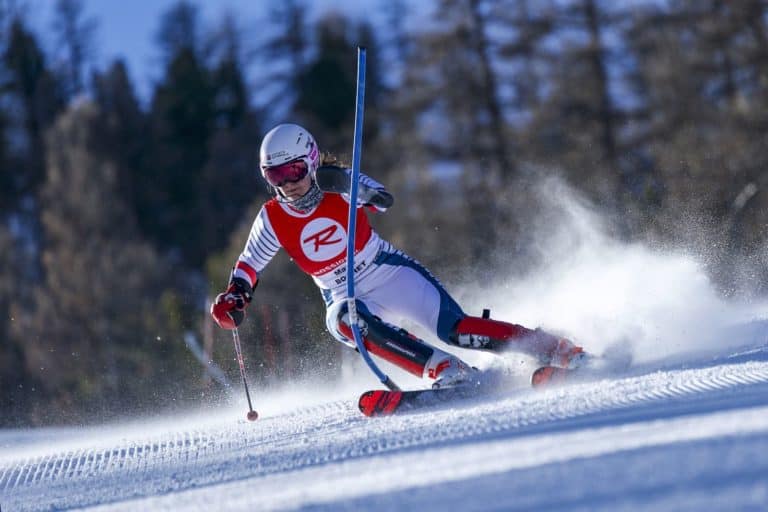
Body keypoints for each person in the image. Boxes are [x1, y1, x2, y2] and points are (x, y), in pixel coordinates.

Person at [211, 123, 586, 388]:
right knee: (345, 321)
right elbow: (249, 265)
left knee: (456, 329)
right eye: (275, 176)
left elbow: (382, 199)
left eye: (293, 171)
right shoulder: (273, 217)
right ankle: (446, 371)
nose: (288, 184)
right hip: (344, 295)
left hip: (388, 273)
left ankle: (557, 349)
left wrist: (356, 190)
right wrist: (234, 298)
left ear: (309, 161)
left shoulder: (339, 183)